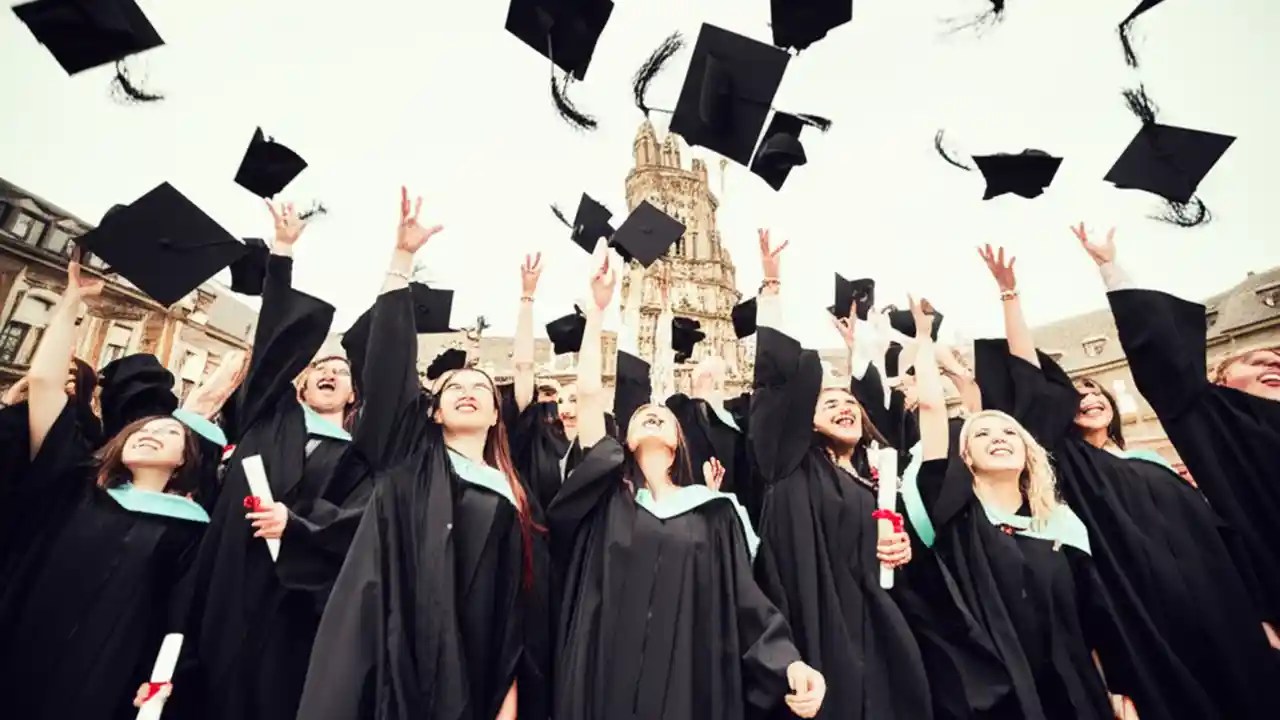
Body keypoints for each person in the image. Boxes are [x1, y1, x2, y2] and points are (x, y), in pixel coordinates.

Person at [972, 241, 1276, 718]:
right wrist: (1010, 296)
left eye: (1095, 389)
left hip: (1228, 615)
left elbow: (1226, 539)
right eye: (1076, 393)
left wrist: (1261, 611)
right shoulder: (1072, 468)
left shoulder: (1153, 465)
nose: (1087, 397)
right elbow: (1030, 382)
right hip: (1151, 626)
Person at [549, 239, 826, 720]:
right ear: (624, 438)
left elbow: (745, 602)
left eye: (663, 416)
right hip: (604, 675)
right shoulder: (606, 496)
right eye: (642, 415)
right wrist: (597, 311)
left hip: (689, 682)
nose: (653, 415)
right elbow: (591, 395)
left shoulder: (713, 513)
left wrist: (790, 663)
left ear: (679, 442)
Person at [296, 187, 535, 720]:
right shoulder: (408, 458)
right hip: (387, 650)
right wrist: (400, 262)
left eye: (480, 387)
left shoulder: (514, 497)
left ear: (498, 415)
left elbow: (513, 610)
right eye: (453, 387)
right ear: (433, 410)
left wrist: (507, 697)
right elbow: (389, 367)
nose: (468, 390)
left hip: (472, 670)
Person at [0, 256, 217, 720]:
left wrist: (161, 682)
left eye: (169, 432)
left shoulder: (192, 533)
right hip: (20, 647)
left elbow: (181, 621)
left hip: (105, 678)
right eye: (139, 430)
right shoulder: (75, 484)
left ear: (185, 461)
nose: (149, 431)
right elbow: (43, 382)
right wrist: (72, 300)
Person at [174, 201, 360, 720]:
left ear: (353, 394)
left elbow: (357, 526)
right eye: (318, 365)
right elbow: (274, 341)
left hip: (295, 594)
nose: (327, 372)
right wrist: (283, 254)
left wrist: (299, 526)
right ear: (298, 380)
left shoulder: (358, 458)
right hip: (225, 570)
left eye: (340, 370)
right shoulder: (268, 417)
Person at [909, 294, 1129, 720]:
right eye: (982, 434)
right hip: (999, 700)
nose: (998, 437)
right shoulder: (956, 514)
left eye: (1009, 432)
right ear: (965, 457)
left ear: (1028, 452)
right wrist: (922, 337)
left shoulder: (1062, 525)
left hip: (1076, 696)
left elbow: (1096, 618)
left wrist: (1117, 690)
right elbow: (934, 410)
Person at [747, 230, 931, 719]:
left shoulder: (878, 480)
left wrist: (901, 550)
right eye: (829, 401)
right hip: (816, 636)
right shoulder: (788, 465)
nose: (844, 406)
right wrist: (771, 288)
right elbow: (774, 382)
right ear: (803, 419)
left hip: (883, 635)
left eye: (850, 402)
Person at [1078, 223, 1280, 649]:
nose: (1273, 363)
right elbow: (1166, 366)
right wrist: (1112, 268)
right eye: (1258, 359)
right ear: (1220, 382)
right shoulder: (1224, 423)